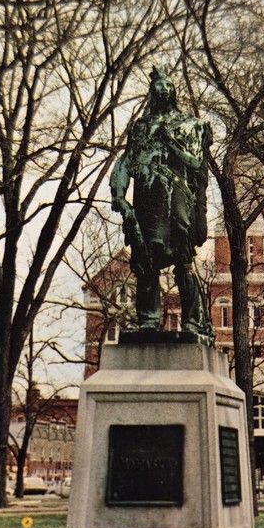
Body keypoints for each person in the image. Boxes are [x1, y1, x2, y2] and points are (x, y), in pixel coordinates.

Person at [110, 66, 213, 339]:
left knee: (183, 259)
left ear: (173, 92)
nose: (164, 91)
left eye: (168, 86)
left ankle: (193, 321)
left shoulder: (188, 124)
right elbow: (126, 161)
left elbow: (196, 162)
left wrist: (171, 142)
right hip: (147, 199)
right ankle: (148, 319)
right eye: (159, 86)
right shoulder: (141, 128)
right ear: (152, 93)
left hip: (177, 197)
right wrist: (119, 193)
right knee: (145, 260)